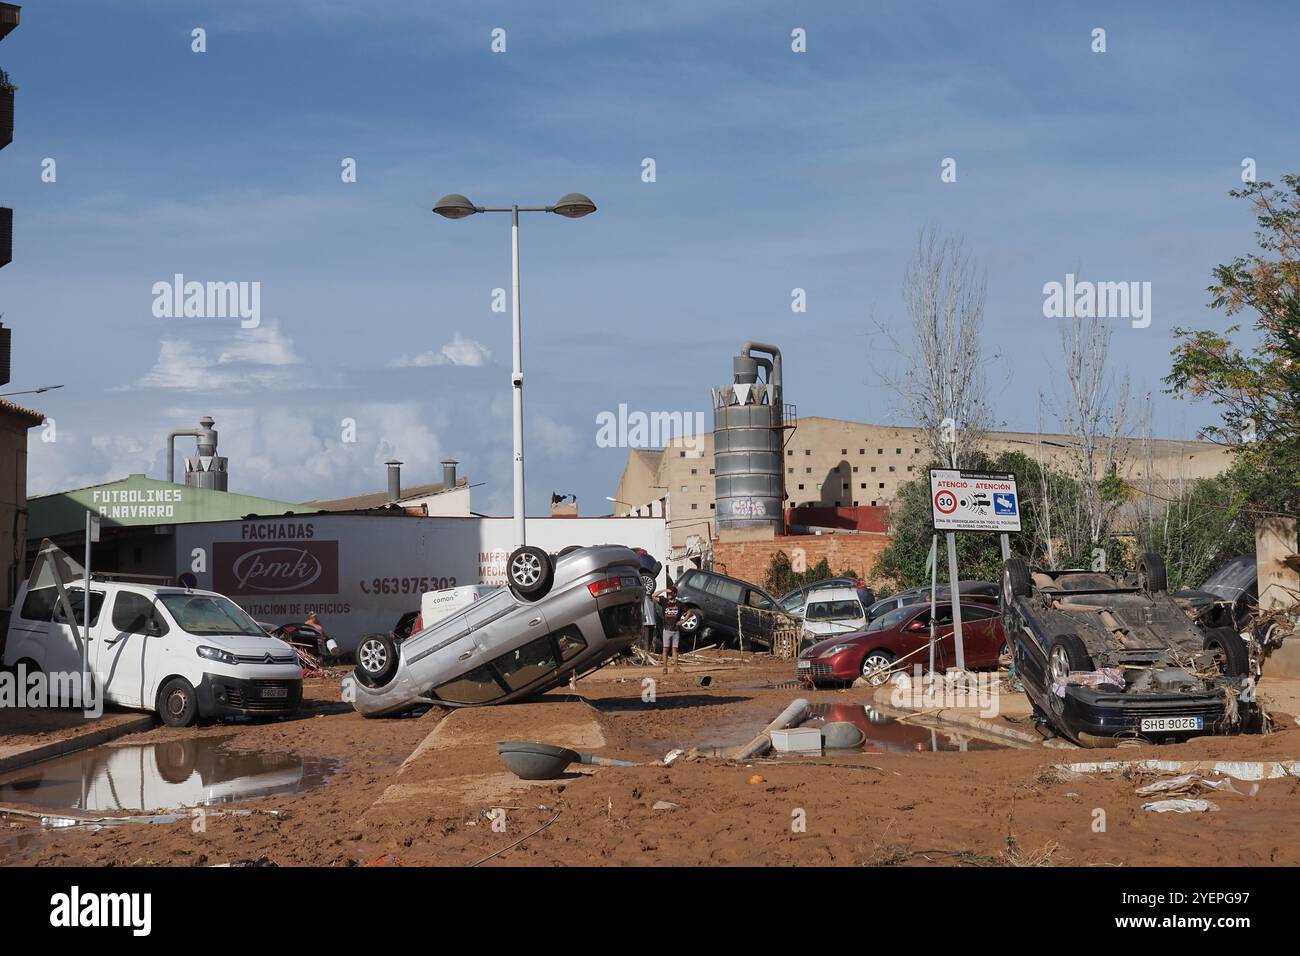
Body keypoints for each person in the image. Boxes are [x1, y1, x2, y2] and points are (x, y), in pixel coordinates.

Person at [656, 585, 682, 673]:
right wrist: (663, 589)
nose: (669, 594)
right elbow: (653, 595)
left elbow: (689, 612)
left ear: (675, 594)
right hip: (666, 630)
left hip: (676, 630)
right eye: (668, 593)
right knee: (665, 649)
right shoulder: (664, 601)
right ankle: (665, 668)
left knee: (675, 649)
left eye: (670, 593)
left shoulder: (679, 603)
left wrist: (683, 621)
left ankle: (676, 667)